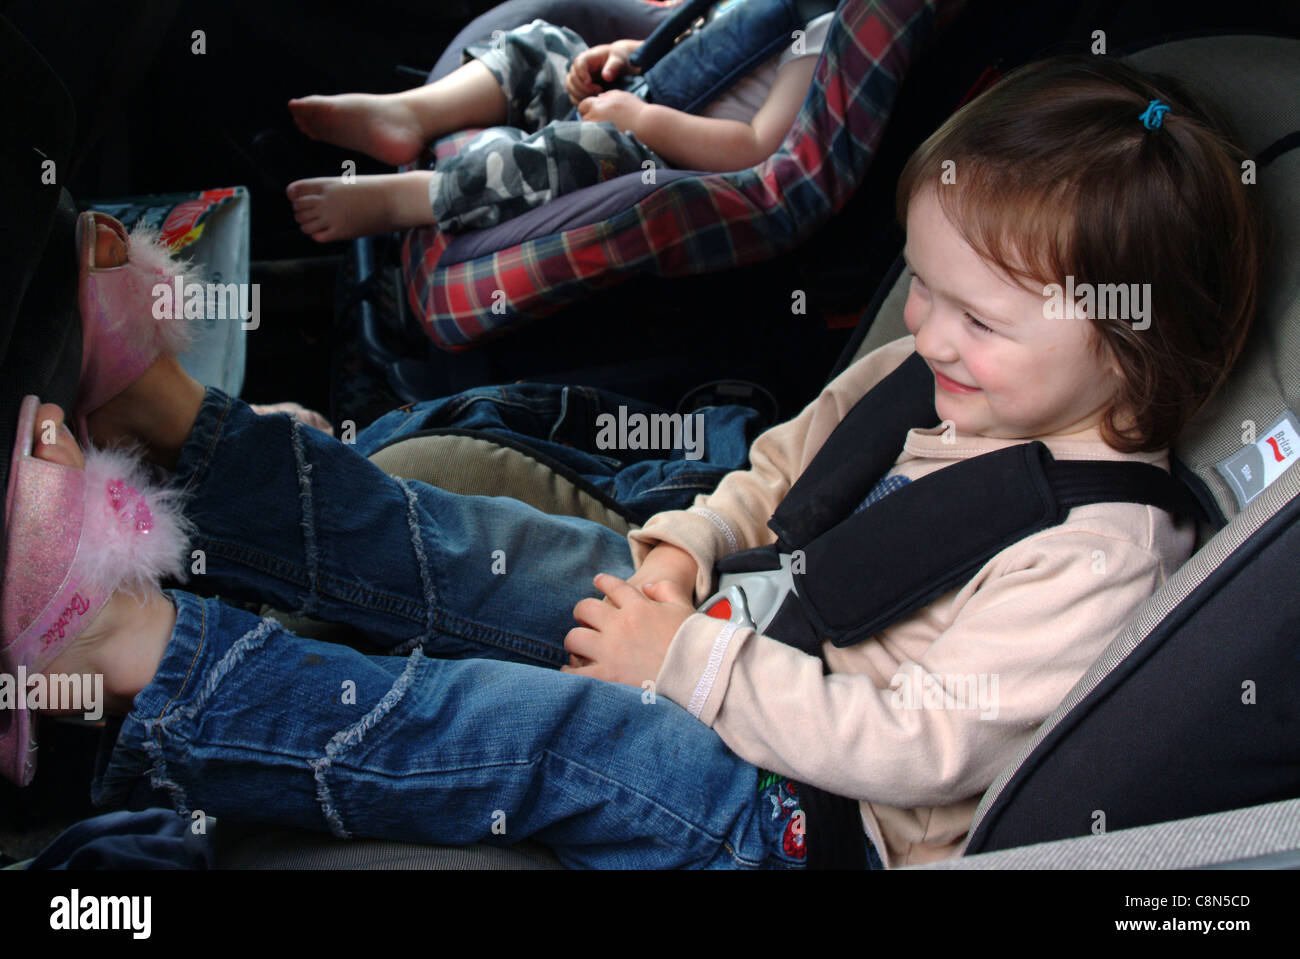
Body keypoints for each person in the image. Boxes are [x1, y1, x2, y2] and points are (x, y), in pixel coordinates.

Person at [2, 54, 1262, 868]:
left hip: (795, 813)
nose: (923, 329)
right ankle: (172, 417)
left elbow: (918, 748)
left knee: (528, 731)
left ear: (1136, 334)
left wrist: (685, 660)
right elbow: (789, 466)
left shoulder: (1096, 551)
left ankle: (132, 655)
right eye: (921, 289)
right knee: (458, 544)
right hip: (737, 617)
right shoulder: (931, 374)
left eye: (973, 316)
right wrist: (693, 541)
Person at [284, 3, 836, 239]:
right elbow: (688, 40)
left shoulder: (816, 34)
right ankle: (410, 112)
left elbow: (755, 145)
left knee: (581, 149)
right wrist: (621, 55)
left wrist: (641, 118)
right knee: (544, 44)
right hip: (639, 93)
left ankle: (408, 198)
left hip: (675, 155)